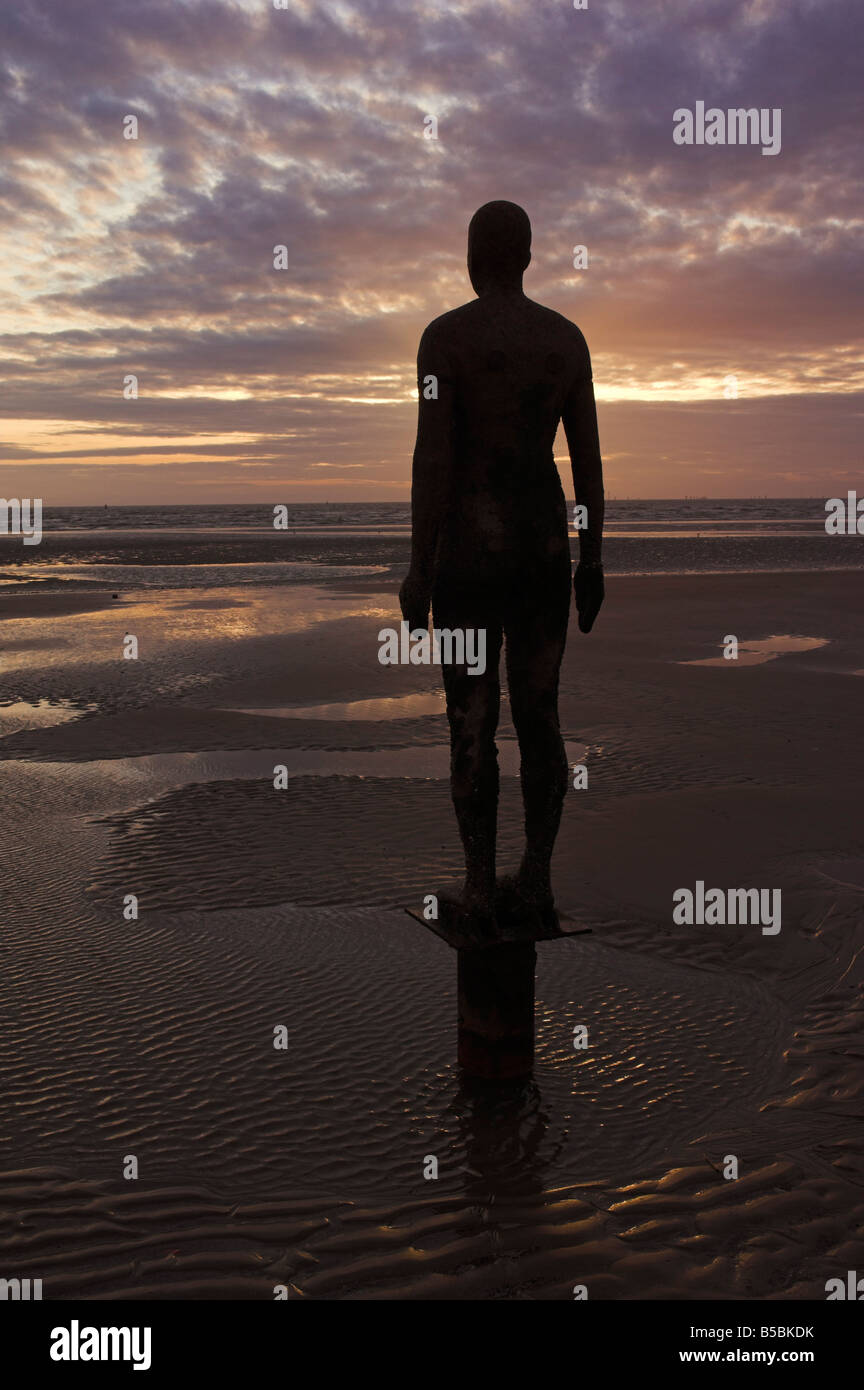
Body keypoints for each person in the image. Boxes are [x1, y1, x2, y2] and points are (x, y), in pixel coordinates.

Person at [400, 201, 604, 933]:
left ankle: (483, 887)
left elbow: (434, 458)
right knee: (541, 716)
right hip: (545, 550)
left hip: (470, 558)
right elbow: (585, 460)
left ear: (472, 256)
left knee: (472, 722)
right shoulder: (565, 341)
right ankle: (537, 882)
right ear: (526, 255)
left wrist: (418, 568)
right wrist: (594, 558)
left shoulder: (444, 339)